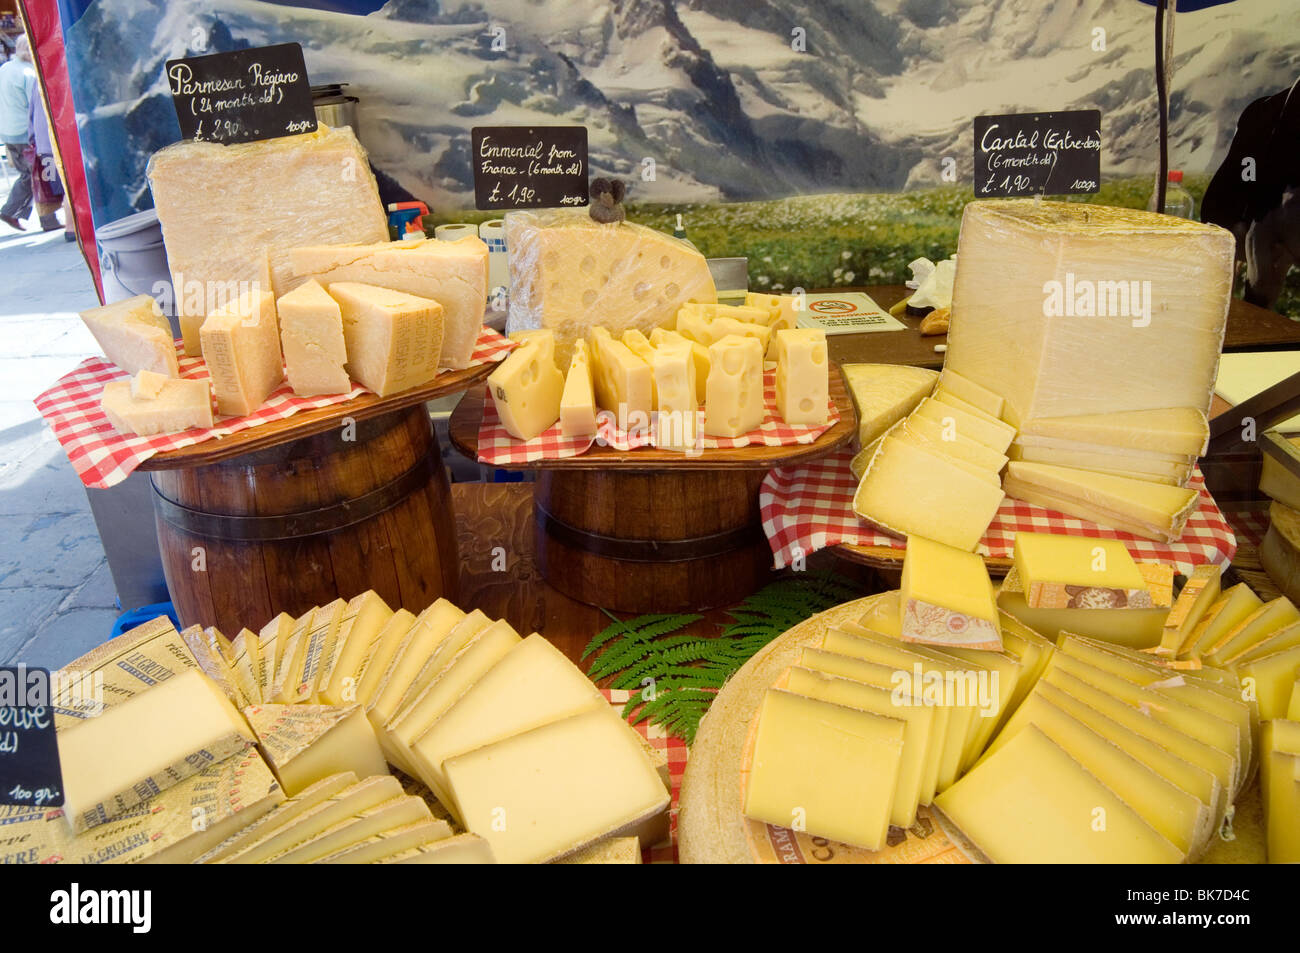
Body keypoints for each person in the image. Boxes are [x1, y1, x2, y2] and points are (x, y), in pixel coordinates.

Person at [0, 35, 35, 231]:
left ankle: (48, 218)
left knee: (31, 173)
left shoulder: (5, 69)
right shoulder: (28, 74)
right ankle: (9, 210)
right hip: (23, 131)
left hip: (7, 129)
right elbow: (35, 107)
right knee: (33, 175)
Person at [28, 57, 62, 233]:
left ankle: (59, 224)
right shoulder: (59, 76)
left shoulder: (37, 79)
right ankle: (71, 228)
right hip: (55, 146)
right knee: (66, 188)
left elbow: (31, 113)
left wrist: (32, 139)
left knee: (58, 188)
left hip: (44, 147)